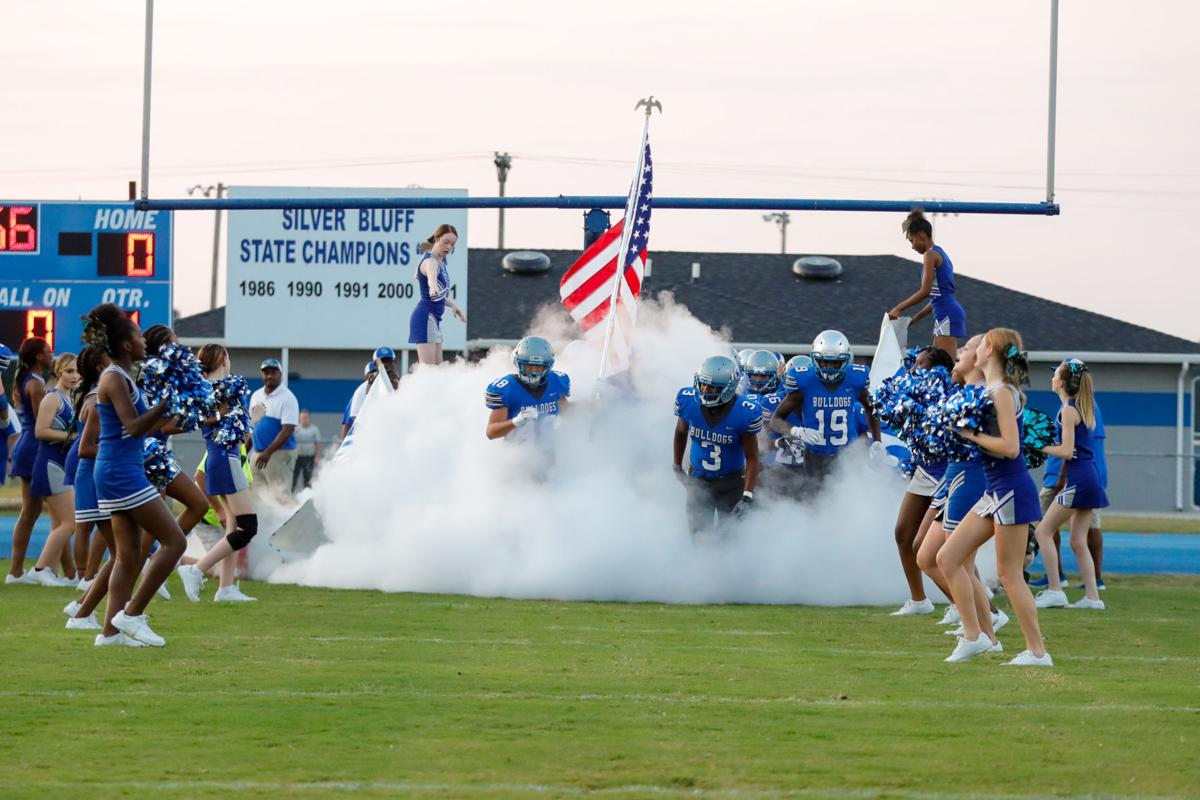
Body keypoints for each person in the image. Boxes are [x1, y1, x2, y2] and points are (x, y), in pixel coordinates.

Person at [936, 329, 1051, 666]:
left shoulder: (1002, 392)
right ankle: (975, 637)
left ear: (990, 350)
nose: (974, 347)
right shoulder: (990, 391)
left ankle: (1037, 652)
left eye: (981, 342)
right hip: (993, 490)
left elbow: (1012, 448)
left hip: (1011, 490)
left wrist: (970, 434)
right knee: (948, 558)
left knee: (1009, 574)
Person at [86, 303, 186, 648]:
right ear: (127, 345)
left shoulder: (124, 375)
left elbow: (147, 427)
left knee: (127, 558)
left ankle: (109, 634)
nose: (145, 340)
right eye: (140, 336)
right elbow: (132, 427)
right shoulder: (113, 377)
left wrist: (179, 412)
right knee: (176, 541)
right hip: (120, 472)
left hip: (122, 469)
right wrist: (164, 404)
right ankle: (132, 614)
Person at [914, 335, 1005, 633]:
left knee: (958, 561)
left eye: (966, 350)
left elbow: (997, 446)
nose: (959, 353)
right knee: (928, 557)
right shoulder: (963, 391)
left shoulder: (984, 396)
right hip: (954, 475)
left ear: (980, 358)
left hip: (971, 476)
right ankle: (979, 622)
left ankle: (982, 625)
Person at [178, 345, 259, 603]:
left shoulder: (209, 389)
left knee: (233, 527)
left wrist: (250, 420)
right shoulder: (218, 388)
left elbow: (238, 433)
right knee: (248, 527)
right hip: (225, 459)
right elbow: (204, 419)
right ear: (223, 358)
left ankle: (225, 588)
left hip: (223, 458)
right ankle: (196, 569)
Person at [1033, 359, 1108, 610]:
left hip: (1080, 479)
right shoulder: (1079, 406)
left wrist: (1035, 445)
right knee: (1077, 540)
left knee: (1042, 531)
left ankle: (1055, 590)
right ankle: (1092, 597)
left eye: (1056, 375)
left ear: (1062, 382)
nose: (1052, 378)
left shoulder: (1068, 410)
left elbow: (1066, 450)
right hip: (1089, 478)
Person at [889, 346, 955, 616]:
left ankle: (968, 607)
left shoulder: (948, 395)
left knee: (944, 545)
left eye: (921, 364)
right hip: (924, 470)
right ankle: (919, 600)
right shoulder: (916, 392)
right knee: (903, 533)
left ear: (938, 369)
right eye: (915, 363)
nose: (915, 369)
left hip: (946, 473)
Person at [770, 331, 883, 487]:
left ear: (846, 360)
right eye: (823, 362)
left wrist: (877, 441)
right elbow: (775, 421)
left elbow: (872, 409)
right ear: (814, 359)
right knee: (817, 503)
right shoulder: (804, 380)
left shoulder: (856, 378)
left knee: (847, 499)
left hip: (847, 454)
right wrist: (797, 431)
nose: (829, 368)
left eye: (835, 363)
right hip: (814, 455)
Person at [673, 355, 762, 538]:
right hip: (698, 480)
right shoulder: (688, 402)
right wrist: (676, 464)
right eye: (703, 384)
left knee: (728, 540)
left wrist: (747, 495)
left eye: (713, 386)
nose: (705, 389)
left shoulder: (743, 412)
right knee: (699, 537)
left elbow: (752, 457)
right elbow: (681, 432)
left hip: (731, 483)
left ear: (729, 388)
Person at [23, 353, 81, 586]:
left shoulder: (70, 398)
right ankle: (40, 568)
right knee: (70, 523)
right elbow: (40, 431)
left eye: (77, 371)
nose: (75, 376)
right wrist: (74, 437)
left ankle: (53, 572)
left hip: (61, 465)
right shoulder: (52, 398)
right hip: (50, 465)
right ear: (58, 372)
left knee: (60, 524)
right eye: (69, 371)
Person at [6, 337, 55, 584]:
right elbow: (41, 422)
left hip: (30, 447)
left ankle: (19, 571)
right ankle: (19, 571)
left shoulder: (30, 381)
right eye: (48, 351)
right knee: (45, 512)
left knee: (33, 511)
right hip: (34, 448)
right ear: (38, 357)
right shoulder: (35, 385)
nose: (51, 354)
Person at [889, 211, 966, 355]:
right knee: (936, 363)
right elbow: (936, 297)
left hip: (947, 313)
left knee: (944, 367)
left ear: (921, 236)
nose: (912, 246)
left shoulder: (930, 255)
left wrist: (898, 308)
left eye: (912, 241)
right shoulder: (939, 253)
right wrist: (915, 318)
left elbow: (925, 291)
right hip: (944, 312)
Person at [742, 350, 803, 498]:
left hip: (798, 468)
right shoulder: (745, 395)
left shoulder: (783, 395)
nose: (758, 380)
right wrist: (778, 442)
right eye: (754, 375)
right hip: (764, 465)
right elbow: (754, 439)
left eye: (763, 375)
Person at [485, 337, 571, 440]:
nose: (533, 371)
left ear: (547, 366)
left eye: (539, 366)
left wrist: (590, 405)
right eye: (529, 366)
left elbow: (567, 410)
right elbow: (491, 432)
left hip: (551, 450)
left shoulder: (556, 382)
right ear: (518, 363)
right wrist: (516, 421)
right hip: (518, 452)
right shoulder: (507, 388)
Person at [409, 224, 467, 366]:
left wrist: (453, 305)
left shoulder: (440, 263)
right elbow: (431, 276)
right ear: (436, 239)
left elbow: (438, 295)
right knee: (428, 371)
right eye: (445, 242)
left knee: (438, 370)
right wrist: (432, 285)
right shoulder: (430, 262)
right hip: (425, 317)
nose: (448, 247)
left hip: (434, 320)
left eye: (452, 244)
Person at [249, 357, 299, 499]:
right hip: (258, 453)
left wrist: (268, 453)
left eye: (273, 372)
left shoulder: (288, 398)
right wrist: (244, 452)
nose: (269, 376)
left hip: (279, 454)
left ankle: (288, 520)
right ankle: (266, 522)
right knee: (258, 495)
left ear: (280, 374)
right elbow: (252, 426)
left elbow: (287, 430)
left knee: (280, 496)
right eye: (266, 373)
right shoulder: (256, 396)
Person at [343, 361, 377, 438]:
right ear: (366, 376)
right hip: (361, 437)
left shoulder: (384, 390)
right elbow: (347, 424)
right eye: (372, 372)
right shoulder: (359, 393)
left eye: (377, 371)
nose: (375, 374)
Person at [292, 410, 321, 491]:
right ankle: (289, 499)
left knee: (308, 479)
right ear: (299, 419)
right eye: (302, 418)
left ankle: (307, 497)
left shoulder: (314, 429)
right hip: (297, 458)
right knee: (293, 478)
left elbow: (317, 443)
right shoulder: (295, 429)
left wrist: (317, 457)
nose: (304, 420)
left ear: (309, 418)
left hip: (309, 458)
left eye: (306, 418)